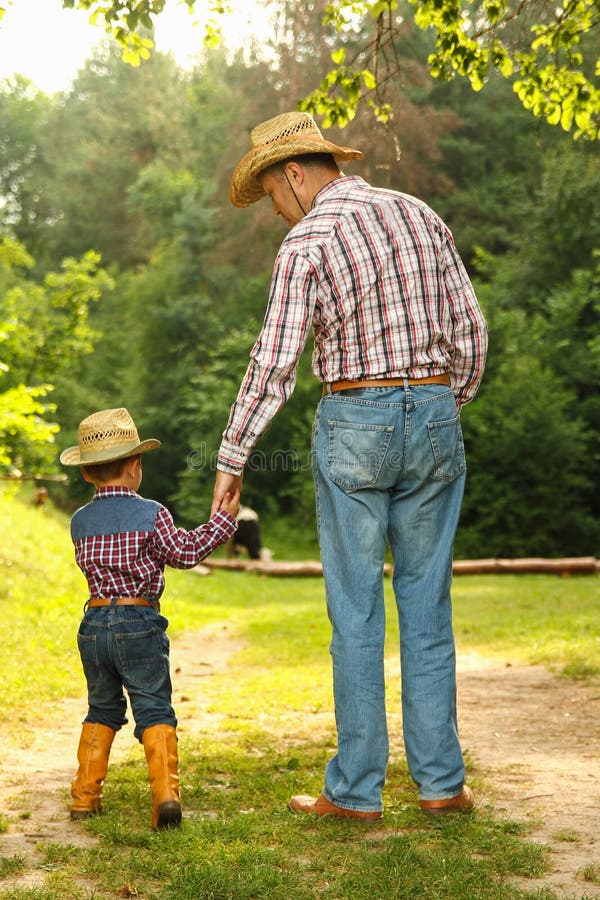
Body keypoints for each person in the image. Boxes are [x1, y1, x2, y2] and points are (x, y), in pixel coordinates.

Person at [211, 112, 488, 819]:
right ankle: (441, 786)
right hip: (433, 414)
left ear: (293, 174)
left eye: (273, 197)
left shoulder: (309, 238)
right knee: (427, 609)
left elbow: (274, 365)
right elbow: (471, 334)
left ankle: (358, 794)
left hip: (354, 418)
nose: (276, 212)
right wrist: (439, 403)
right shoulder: (419, 214)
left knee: (356, 612)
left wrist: (232, 455)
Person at [60, 407, 239, 829]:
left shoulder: (79, 521)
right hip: (138, 623)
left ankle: (85, 798)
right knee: (154, 708)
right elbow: (184, 554)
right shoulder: (152, 513)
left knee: (101, 708)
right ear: (136, 465)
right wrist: (222, 523)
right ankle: (165, 799)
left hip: (93, 625)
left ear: (87, 474)